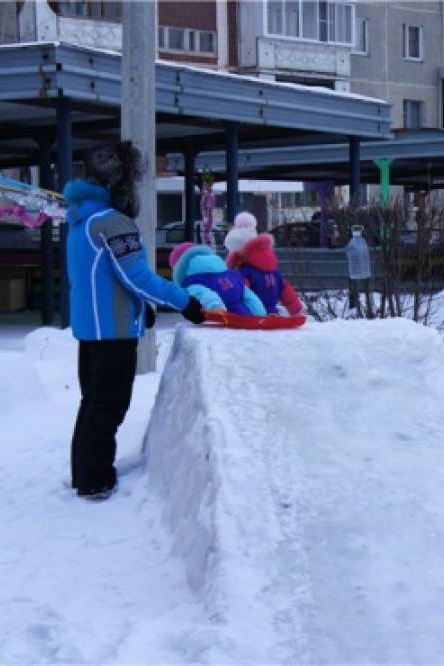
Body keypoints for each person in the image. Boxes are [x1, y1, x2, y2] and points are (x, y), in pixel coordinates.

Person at [64, 142, 205, 500]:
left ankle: (85, 472)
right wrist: (185, 302)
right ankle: (95, 480)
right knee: (108, 406)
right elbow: (136, 277)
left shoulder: (81, 221)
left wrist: (142, 308)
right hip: (113, 332)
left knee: (93, 402)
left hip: (91, 330)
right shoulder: (112, 223)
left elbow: (100, 280)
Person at [224, 212, 304, 316]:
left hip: (252, 311)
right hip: (271, 309)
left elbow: (239, 291)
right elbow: (285, 290)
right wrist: (296, 310)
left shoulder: (245, 271)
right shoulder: (274, 271)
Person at [168, 242, 266, 316]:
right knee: (244, 293)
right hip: (242, 310)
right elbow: (248, 294)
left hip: (223, 315)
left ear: (179, 268)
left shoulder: (192, 282)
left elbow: (204, 294)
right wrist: (260, 312)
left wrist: (215, 308)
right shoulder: (229, 274)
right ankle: (257, 313)